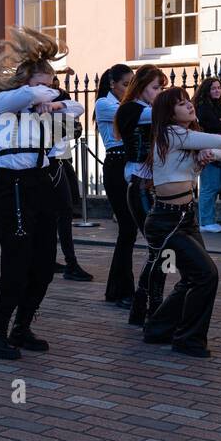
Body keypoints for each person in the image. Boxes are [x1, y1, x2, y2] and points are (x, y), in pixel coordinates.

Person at [0, 26, 80, 359]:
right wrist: (46, 100)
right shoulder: (3, 101)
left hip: (40, 182)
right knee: (16, 262)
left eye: (51, 85)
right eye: (42, 83)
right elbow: (30, 98)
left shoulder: (42, 103)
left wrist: (52, 106)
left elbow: (76, 110)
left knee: (44, 263)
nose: (48, 91)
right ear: (26, 81)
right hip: (13, 186)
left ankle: (21, 327)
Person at [139, 87, 221, 357]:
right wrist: (214, 148)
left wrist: (211, 155)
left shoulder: (189, 139)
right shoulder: (172, 134)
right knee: (206, 275)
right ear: (169, 113)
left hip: (186, 217)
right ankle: (187, 339)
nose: (189, 106)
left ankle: (158, 329)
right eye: (181, 104)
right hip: (166, 220)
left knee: (192, 278)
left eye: (187, 102)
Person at [114, 65, 167, 326]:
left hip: (154, 185)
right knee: (159, 247)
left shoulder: (147, 110)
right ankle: (150, 306)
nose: (159, 93)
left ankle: (146, 305)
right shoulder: (131, 110)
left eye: (161, 89)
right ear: (142, 84)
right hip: (139, 185)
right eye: (156, 88)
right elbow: (158, 114)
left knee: (162, 248)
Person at [95, 64, 136, 307]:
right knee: (127, 229)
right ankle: (122, 290)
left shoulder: (127, 104)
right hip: (115, 165)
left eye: (132, 83)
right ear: (112, 84)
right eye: (125, 84)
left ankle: (117, 289)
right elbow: (132, 115)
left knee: (131, 231)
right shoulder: (104, 104)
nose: (129, 89)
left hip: (131, 164)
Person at [49, 83, 92, 281]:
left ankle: (68, 262)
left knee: (65, 211)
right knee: (53, 213)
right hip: (46, 160)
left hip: (62, 156)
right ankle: (62, 261)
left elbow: (74, 119)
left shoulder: (59, 97)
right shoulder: (26, 100)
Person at [194, 76, 221, 233]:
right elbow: (215, 125)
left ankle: (210, 220)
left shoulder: (220, 106)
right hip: (208, 149)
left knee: (215, 185)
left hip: (219, 149)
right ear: (207, 90)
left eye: (219, 88)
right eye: (213, 88)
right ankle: (205, 222)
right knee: (209, 186)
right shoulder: (203, 107)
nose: (217, 91)